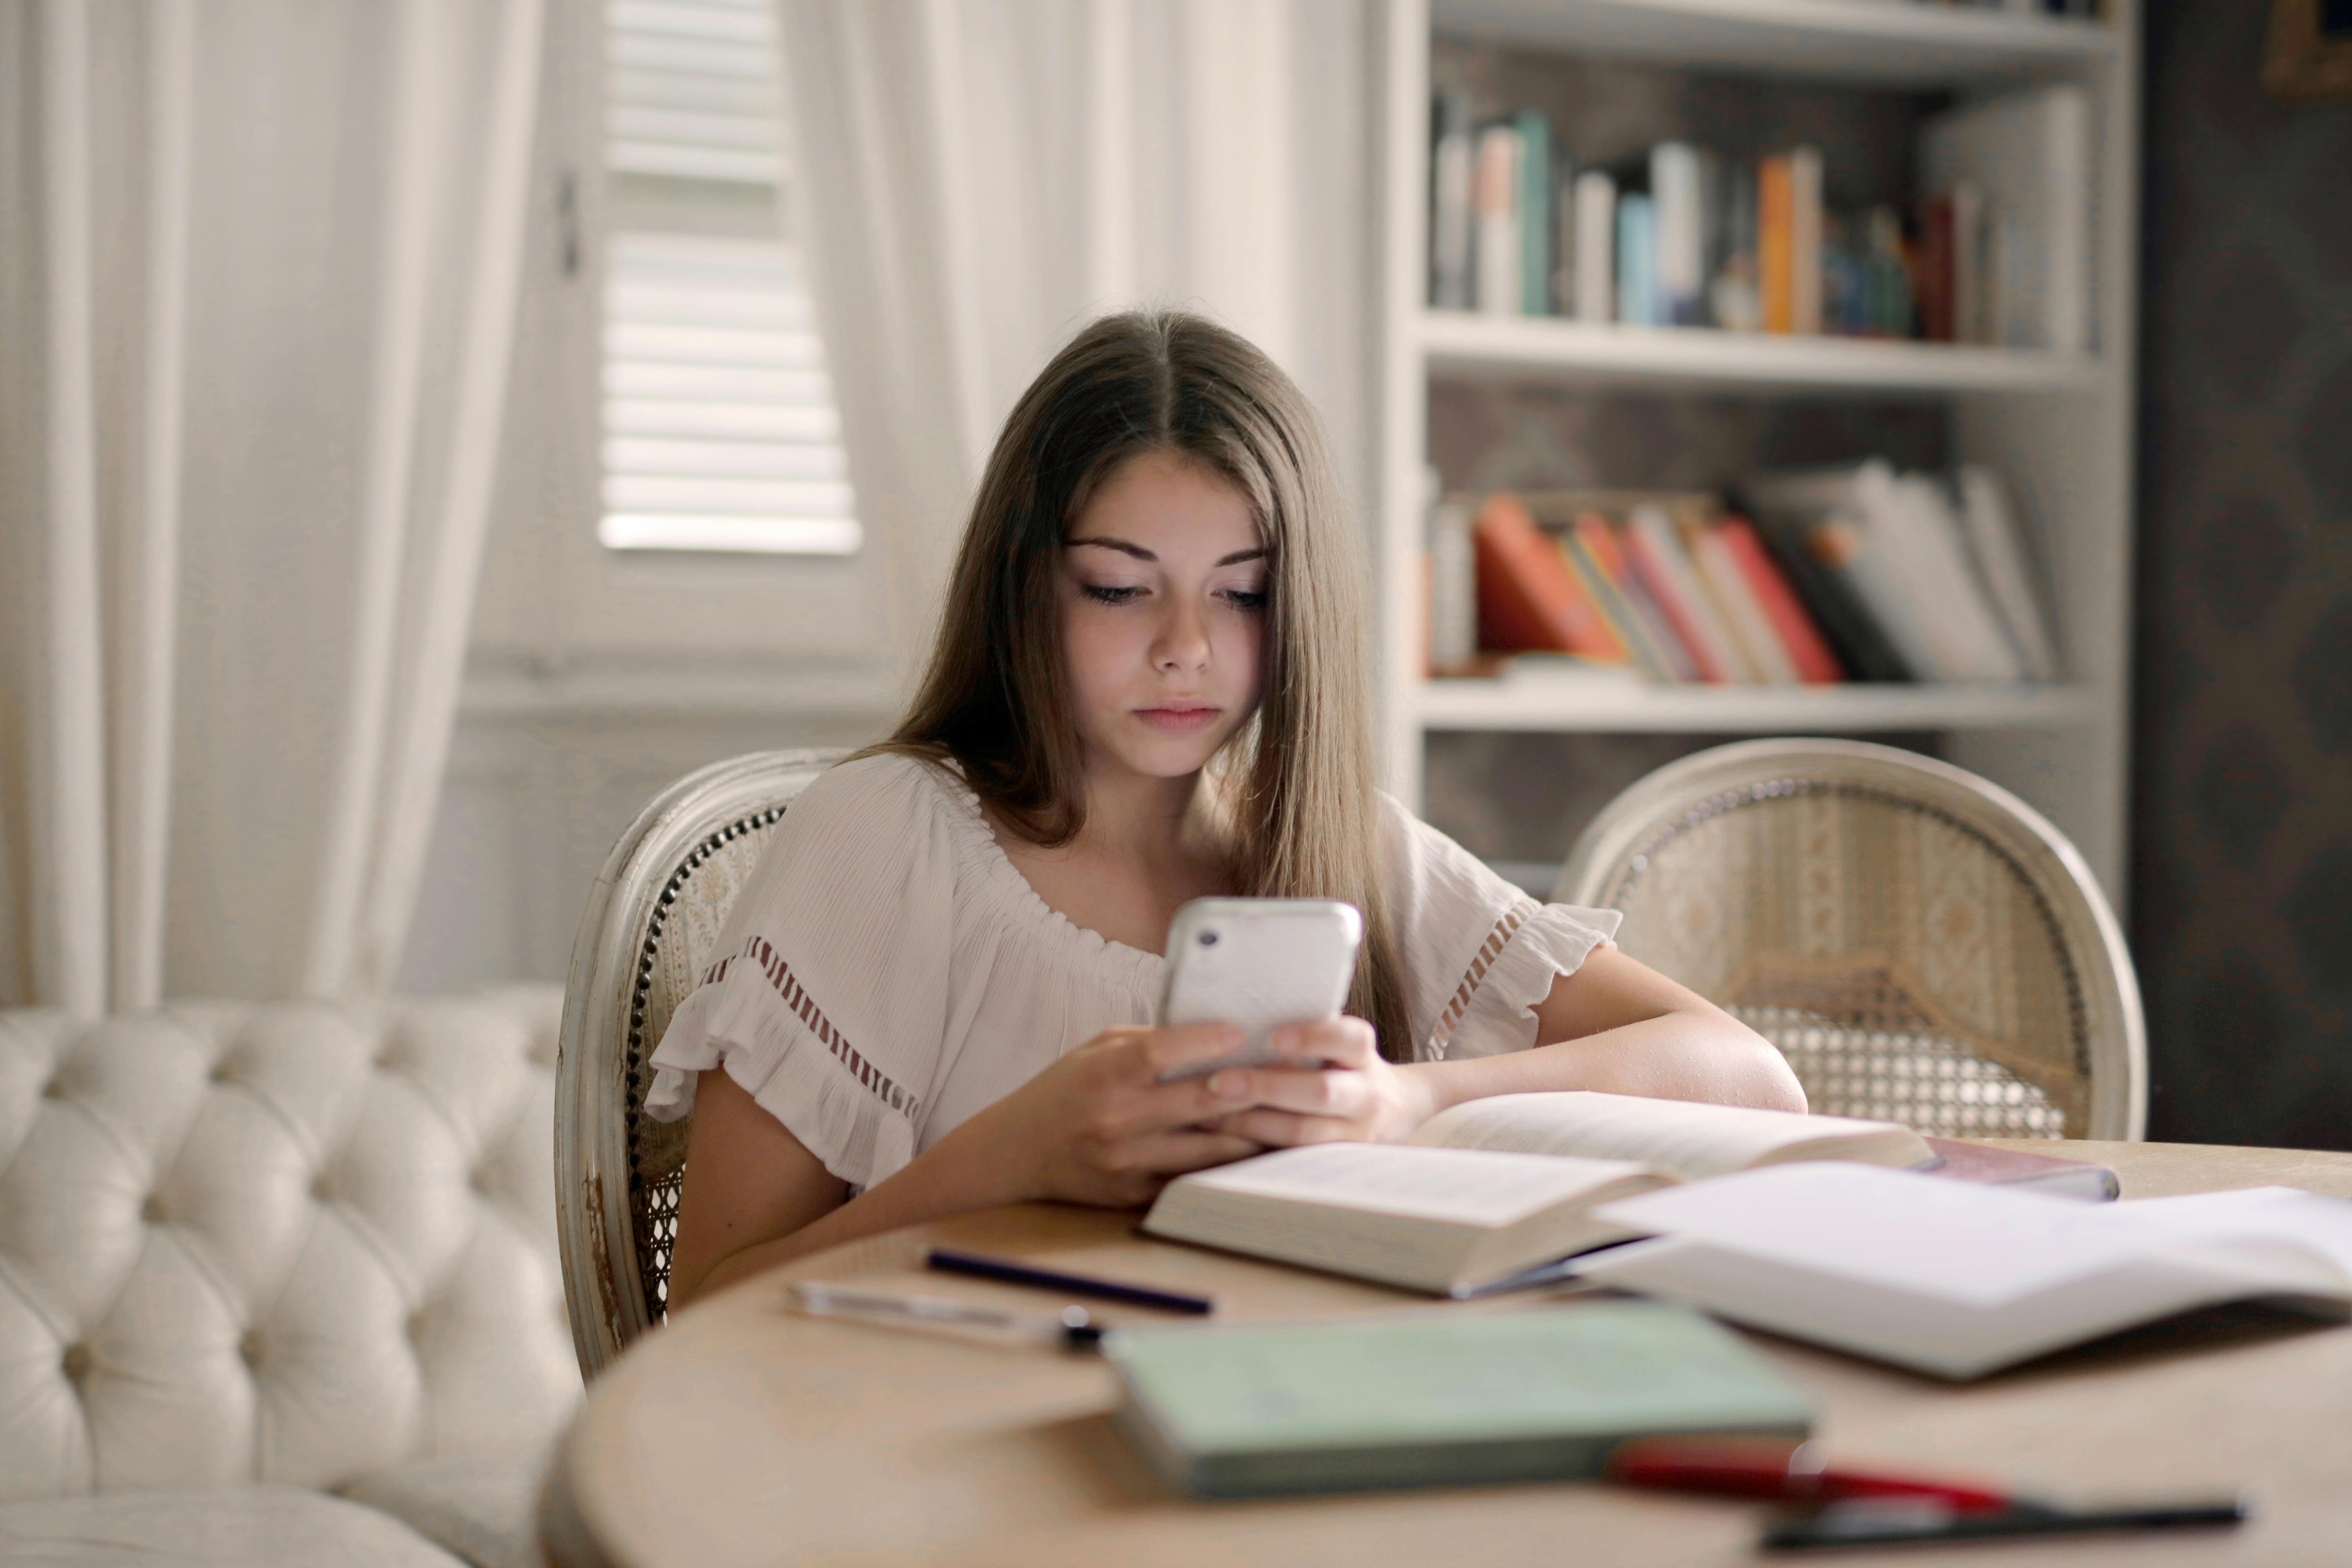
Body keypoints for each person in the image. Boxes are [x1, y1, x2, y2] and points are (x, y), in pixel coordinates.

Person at [650, 310, 1803, 1310]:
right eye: (1119, 588)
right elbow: (700, 1315)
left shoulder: (1337, 848)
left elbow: (1748, 1078)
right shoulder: (894, 837)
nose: (1185, 650)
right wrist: (1013, 1155)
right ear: (1025, 589)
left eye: (1243, 595)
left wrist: (1407, 1100)